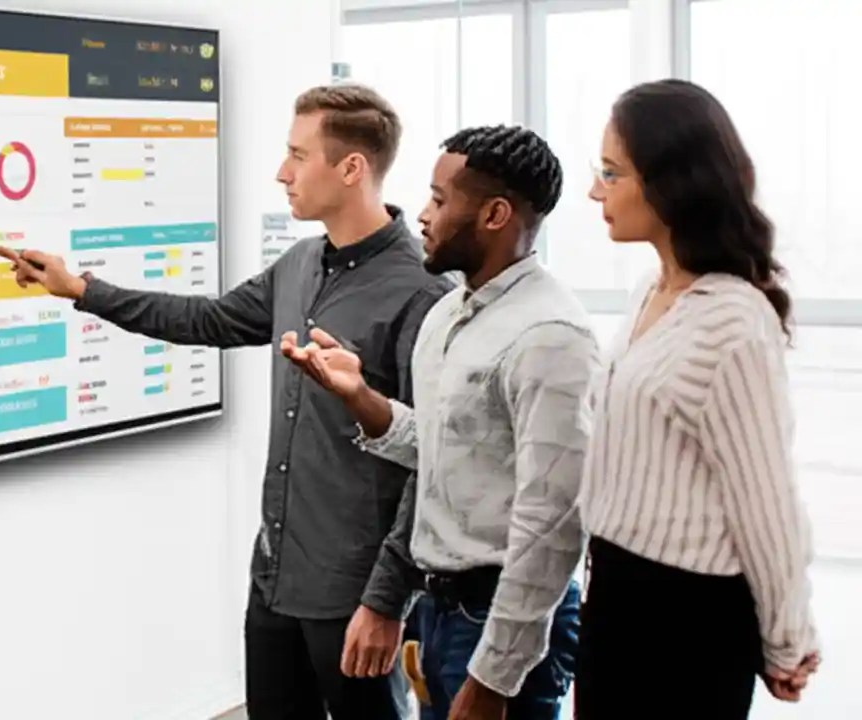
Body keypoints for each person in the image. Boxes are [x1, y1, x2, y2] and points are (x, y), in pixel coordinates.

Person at [0, 84, 453, 719]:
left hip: (354, 595)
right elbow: (206, 319)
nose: (281, 172)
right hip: (275, 576)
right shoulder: (298, 264)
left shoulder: (424, 290)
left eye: (298, 155)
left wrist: (384, 602)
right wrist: (79, 288)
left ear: (351, 169)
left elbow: (430, 462)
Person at [282, 124, 599, 720]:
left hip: (498, 618)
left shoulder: (551, 336)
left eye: (439, 198)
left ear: (495, 214)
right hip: (438, 611)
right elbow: (438, 448)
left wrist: (496, 675)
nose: (422, 214)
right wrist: (359, 396)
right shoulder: (450, 314)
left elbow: (553, 526)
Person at [578, 78, 821, 718]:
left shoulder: (732, 324)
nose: (595, 191)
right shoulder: (648, 295)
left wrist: (788, 640)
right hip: (615, 597)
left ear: (671, 182)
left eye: (611, 173)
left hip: (686, 621)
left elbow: (765, 504)